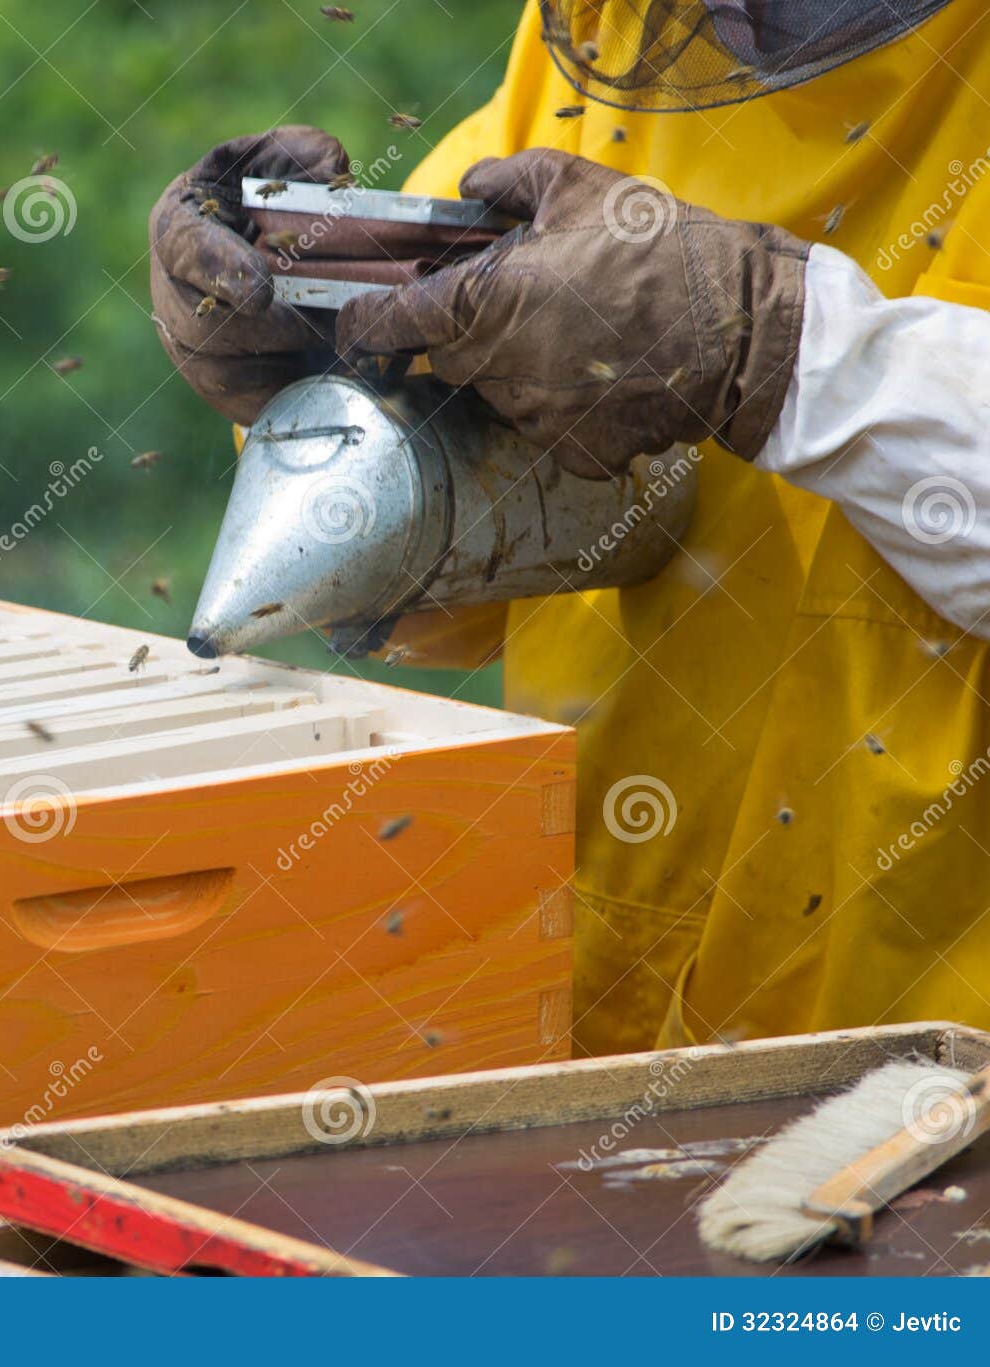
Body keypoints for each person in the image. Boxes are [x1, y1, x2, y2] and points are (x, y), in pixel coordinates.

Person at [149, 1, 990, 1056]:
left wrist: (775, 345)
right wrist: (322, 377)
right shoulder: (607, 24)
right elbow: (484, 509)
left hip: (939, 1107)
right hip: (594, 1039)